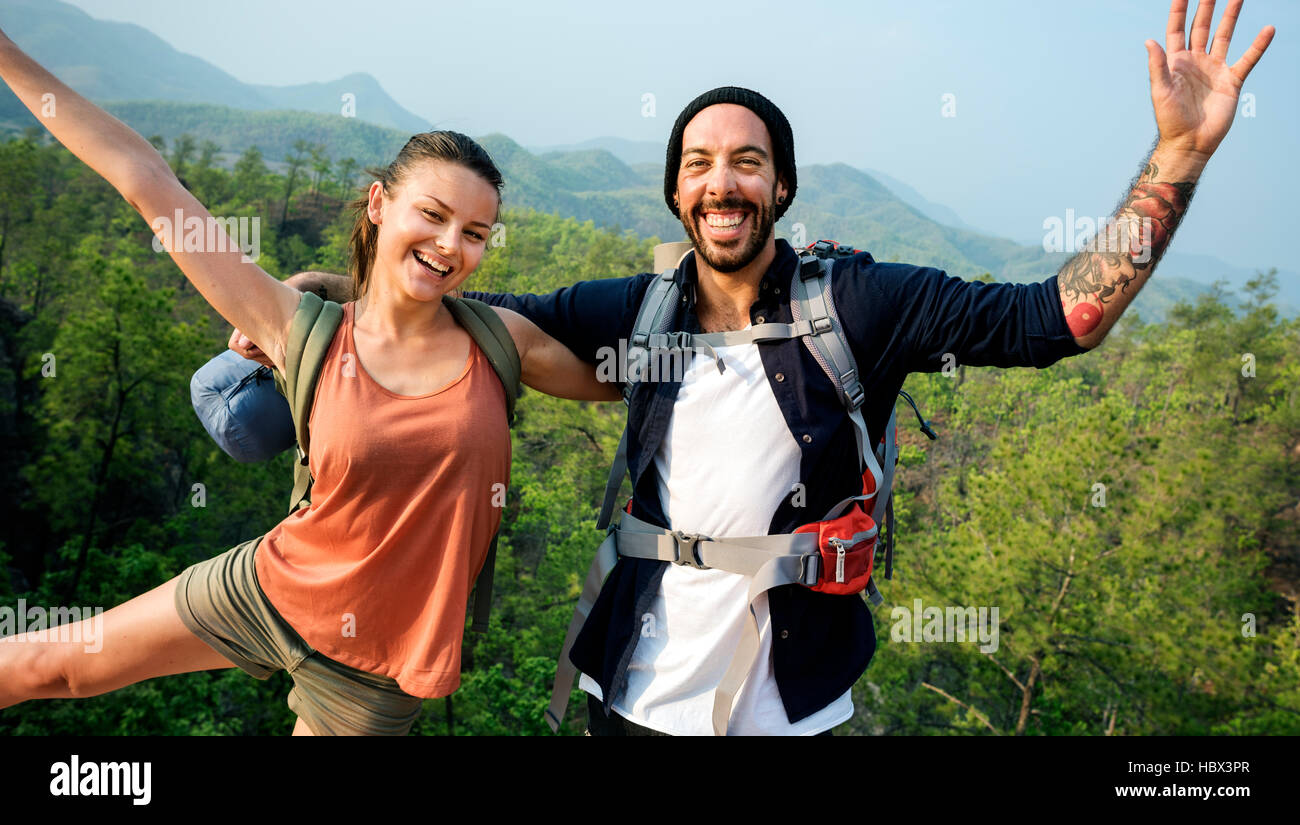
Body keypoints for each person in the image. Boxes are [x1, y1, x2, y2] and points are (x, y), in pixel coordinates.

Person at [213, 0, 1274, 734]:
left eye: (746, 161)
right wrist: (318, 297)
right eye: (697, 164)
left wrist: (1177, 154)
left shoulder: (863, 303)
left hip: (797, 699)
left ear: (782, 188)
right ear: (678, 196)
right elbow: (463, 314)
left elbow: (1060, 319)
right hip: (632, 692)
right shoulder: (637, 307)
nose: (721, 181)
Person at [0, 27, 620, 735]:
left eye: (475, 233)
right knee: (55, 663)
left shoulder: (501, 343)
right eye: (434, 215)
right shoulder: (300, 326)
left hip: (373, 669)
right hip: (272, 585)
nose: (452, 244)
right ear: (380, 203)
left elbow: (630, 385)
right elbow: (147, 181)